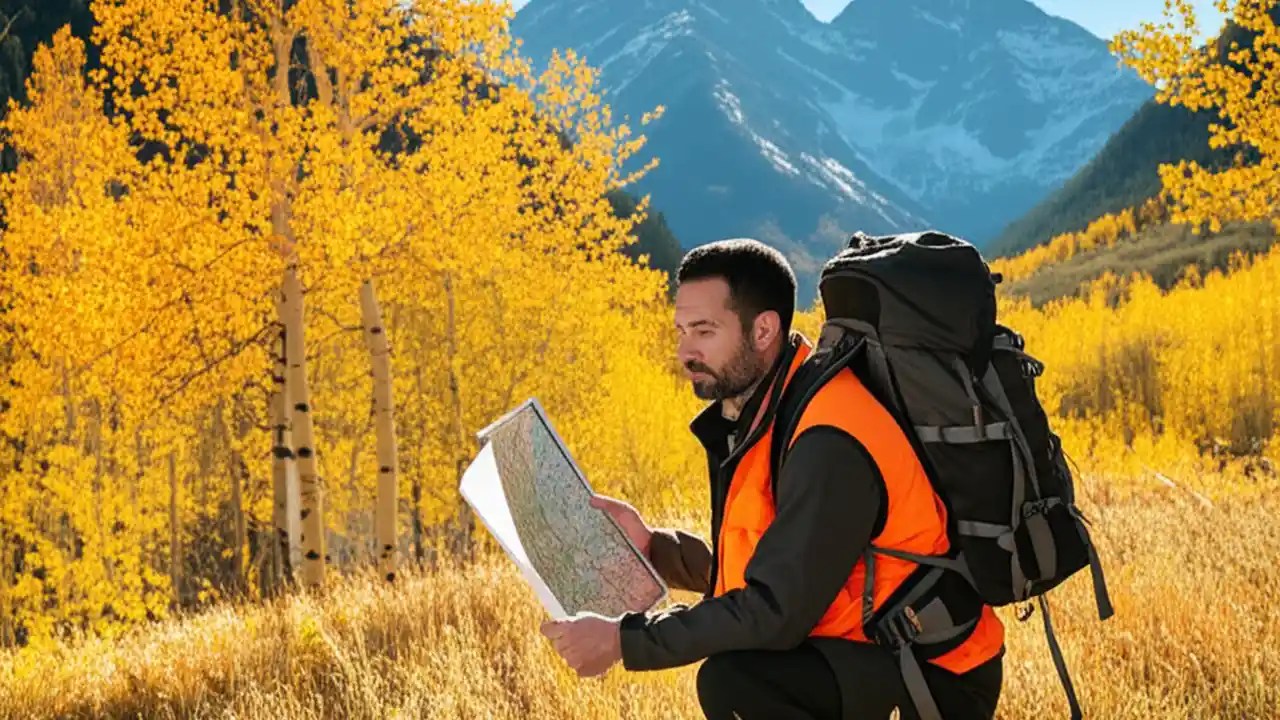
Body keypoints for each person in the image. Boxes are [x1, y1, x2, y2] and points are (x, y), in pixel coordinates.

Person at [540, 238, 1005, 719]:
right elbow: (769, 567)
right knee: (739, 673)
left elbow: (774, 613)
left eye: (704, 331)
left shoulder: (828, 437)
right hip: (871, 648)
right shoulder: (777, 408)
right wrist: (655, 548)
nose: (685, 352)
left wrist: (624, 640)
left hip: (935, 675)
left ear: (763, 330)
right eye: (681, 332)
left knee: (736, 682)